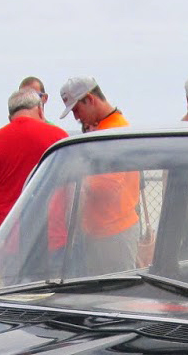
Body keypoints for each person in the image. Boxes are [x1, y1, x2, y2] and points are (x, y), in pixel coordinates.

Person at [59, 76, 141, 270]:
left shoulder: (113, 132)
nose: (76, 117)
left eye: (76, 109)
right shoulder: (105, 129)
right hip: (104, 230)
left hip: (114, 231)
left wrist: (78, 175)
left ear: (90, 99)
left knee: (117, 295)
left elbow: (109, 186)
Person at [0, 85, 66, 233]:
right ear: (40, 110)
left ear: (10, 117)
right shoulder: (58, 137)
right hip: (51, 232)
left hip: (8, 233)